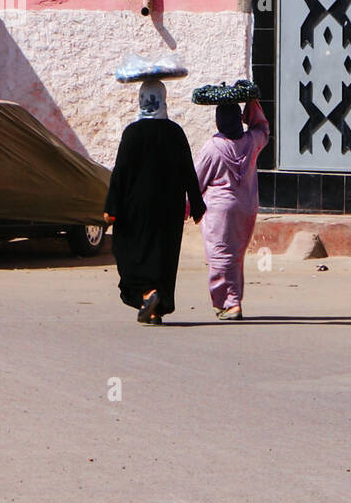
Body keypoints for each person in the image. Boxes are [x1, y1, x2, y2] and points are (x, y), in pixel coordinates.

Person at [103, 80, 204, 324]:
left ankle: (148, 294)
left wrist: (111, 208)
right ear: (163, 99)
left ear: (142, 100)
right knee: (164, 255)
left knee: (129, 251)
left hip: (135, 207)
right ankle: (156, 309)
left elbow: (120, 173)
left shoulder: (132, 133)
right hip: (170, 207)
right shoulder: (175, 132)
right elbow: (188, 171)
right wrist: (197, 204)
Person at [193, 98, 269, 320]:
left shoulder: (213, 148)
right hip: (246, 208)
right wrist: (251, 103)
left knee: (220, 256)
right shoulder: (252, 141)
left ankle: (229, 303)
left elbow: (196, 181)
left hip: (219, 211)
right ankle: (232, 300)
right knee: (235, 257)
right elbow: (263, 128)